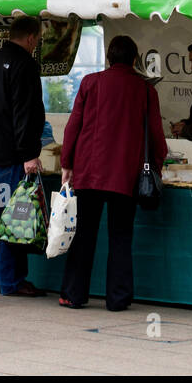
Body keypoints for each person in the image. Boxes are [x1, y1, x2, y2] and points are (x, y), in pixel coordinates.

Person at [59, 36, 166, 311]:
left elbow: (74, 126)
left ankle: (73, 294)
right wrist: (157, 163)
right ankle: (118, 299)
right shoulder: (145, 90)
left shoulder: (90, 83)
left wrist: (66, 162)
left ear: (108, 57)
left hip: (89, 171)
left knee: (83, 234)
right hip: (125, 174)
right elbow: (155, 133)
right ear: (134, 59)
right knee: (121, 236)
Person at [0, 16, 46, 297]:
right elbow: (24, 113)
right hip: (10, 157)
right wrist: (29, 154)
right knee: (14, 216)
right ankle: (11, 281)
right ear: (31, 38)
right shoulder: (24, 64)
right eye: (37, 40)